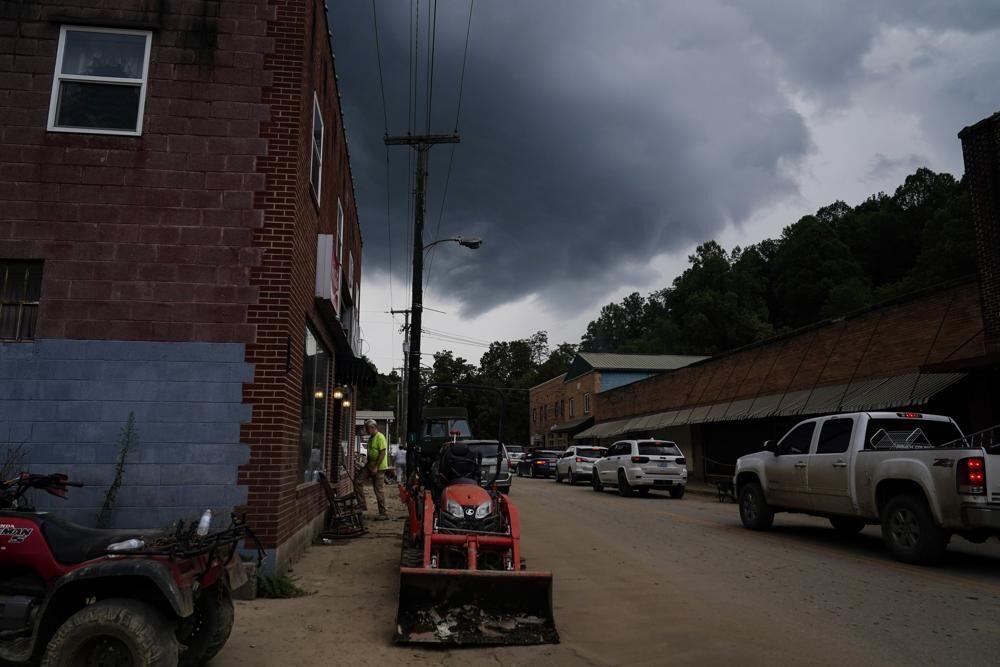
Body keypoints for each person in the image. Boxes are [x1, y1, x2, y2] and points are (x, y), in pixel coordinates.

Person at [355, 419, 389, 520]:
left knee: (378, 489)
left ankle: (383, 513)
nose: (365, 430)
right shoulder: (371, 438)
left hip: (379, 467)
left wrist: (376, 467)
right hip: (370, 464)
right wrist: (365, 464)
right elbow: (370, 453)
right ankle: (362, 505)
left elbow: (382, 453)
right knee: (357, 481)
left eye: (367, 428)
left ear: (372, 427)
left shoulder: (380, 437)